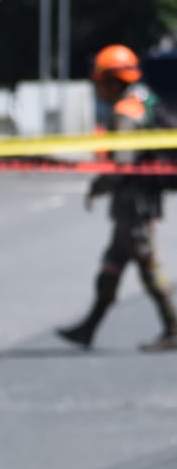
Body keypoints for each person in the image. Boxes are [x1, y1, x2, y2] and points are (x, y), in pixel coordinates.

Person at [57, 44, 177, 353]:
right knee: (112, 264)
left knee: (148, 266)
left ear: (113, 81)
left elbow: (122, 163)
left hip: (135, 202)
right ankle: (89, 328)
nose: (97, 88)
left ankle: (174, 328)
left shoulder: (126, 111)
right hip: (135, 200)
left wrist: (100, 185)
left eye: (99, 81)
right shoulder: (142, 99)